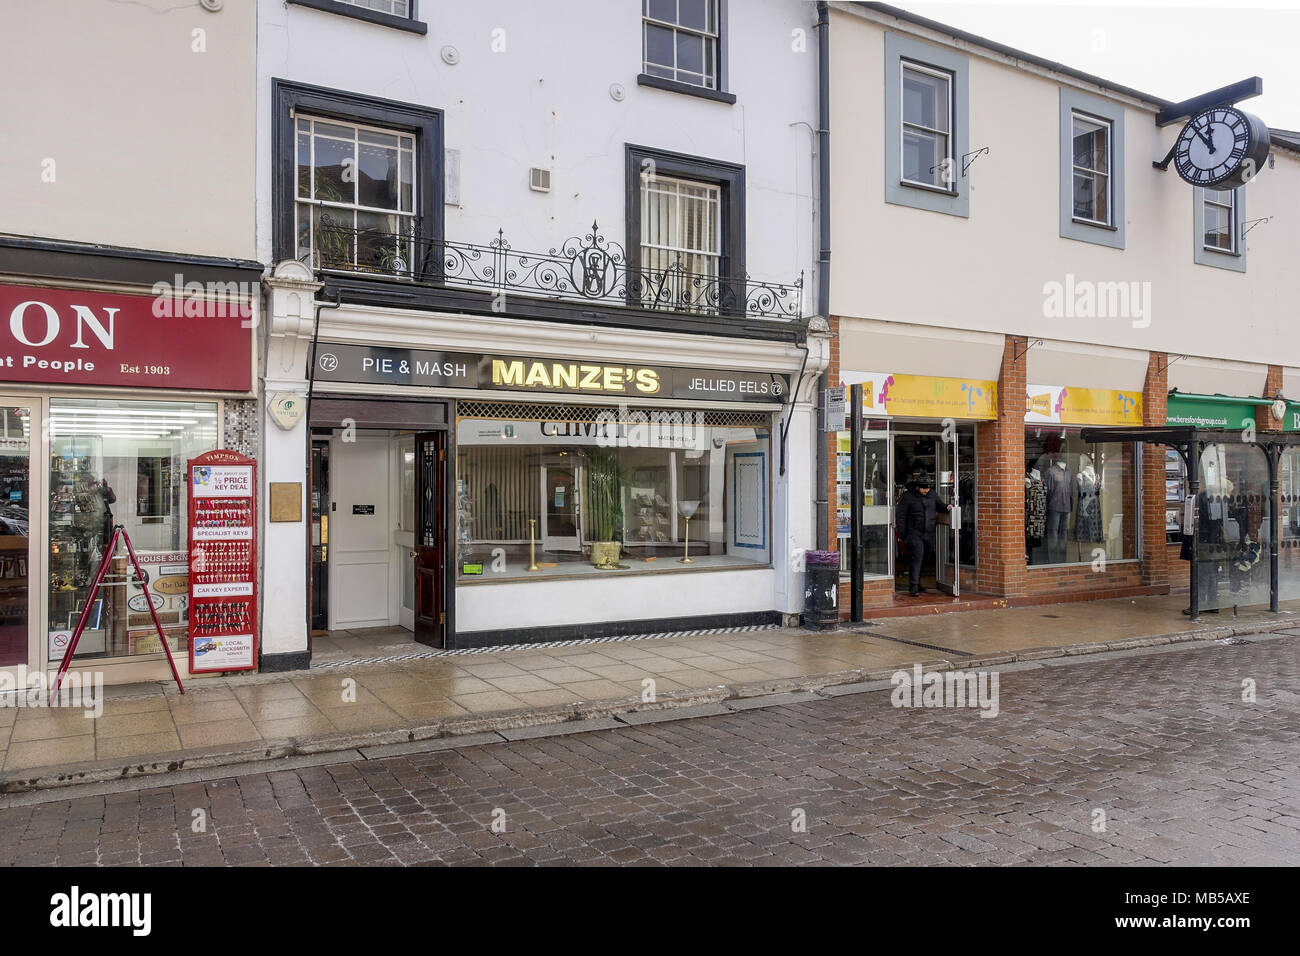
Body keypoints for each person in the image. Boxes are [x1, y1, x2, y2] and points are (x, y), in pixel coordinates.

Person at [895, 474, 952, 597]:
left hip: (929, 533)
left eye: (927, 488)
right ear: (917, 487)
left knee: (925, 559)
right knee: (917, 558)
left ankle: (918, 583)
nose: (926, 490)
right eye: (923, 488)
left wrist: (947, 507)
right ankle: (913, 586)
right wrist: (902, 534)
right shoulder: (908, 497)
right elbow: (901, 516)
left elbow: (939, 505)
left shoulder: (932, 494)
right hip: (914, 533)